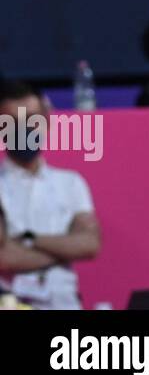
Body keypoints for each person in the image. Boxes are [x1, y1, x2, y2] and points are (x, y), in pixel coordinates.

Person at [0, 80, 100, 310]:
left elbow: (90, 244)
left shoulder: (71, 183)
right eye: (14, 122)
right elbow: (4, 258)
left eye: (32, 120)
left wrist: (28, 240)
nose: (25, 130)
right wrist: (65, 250)